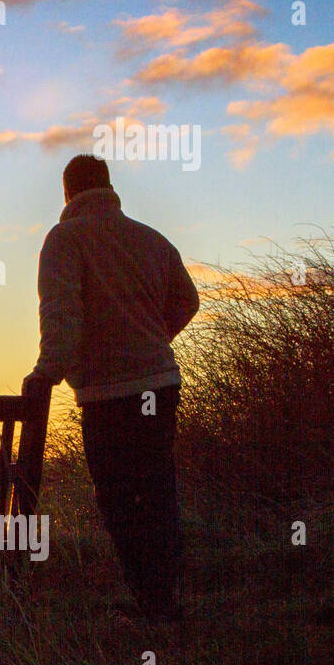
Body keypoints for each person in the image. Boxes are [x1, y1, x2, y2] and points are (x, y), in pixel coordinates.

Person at [22, 154, 199, 622]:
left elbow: (61, 312)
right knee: (157, 488)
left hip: (108, 394)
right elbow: (188, 299)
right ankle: (162, 598)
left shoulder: (65, 239)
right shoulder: (151, 239)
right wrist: (152, 339)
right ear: (108, 186)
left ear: (67, 193)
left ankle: (149, 599)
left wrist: (47, 373)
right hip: (160, 385)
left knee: (118, 496)